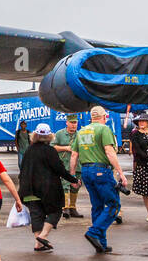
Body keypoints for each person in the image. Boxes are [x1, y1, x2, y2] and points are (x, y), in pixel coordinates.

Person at [69, 106, 127, 253]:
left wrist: (73, 176)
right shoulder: (104, 129)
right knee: (114, 205)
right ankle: (94, 232)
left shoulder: (81, 131)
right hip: (101, 170)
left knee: (97, 206)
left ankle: (101, 242)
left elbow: (74, 155)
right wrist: (121, 173)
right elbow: (109, 151)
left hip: (86, 171)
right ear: (104, 117)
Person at [18, 123, 80, 251]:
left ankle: (38, 244)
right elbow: (60, 170)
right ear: (50, 136)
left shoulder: (29, 150)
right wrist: (73, 180)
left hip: (28, 189)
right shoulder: (50, 151)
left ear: (34, 135)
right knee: (56, 211)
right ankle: (43, 235)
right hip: (47, 190)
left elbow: (22, 169)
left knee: (36, 215)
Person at [52, 116, 83, 218]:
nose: (74, 125)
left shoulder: (80, 135)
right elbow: (52, 147)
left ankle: (73, 208)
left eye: (75, 122)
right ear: (67, 123)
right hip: (64, 165)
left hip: (77, 166)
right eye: (72, 122)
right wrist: (66, 148)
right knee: (64, 186)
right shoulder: (60, 134)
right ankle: (65, 208)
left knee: (75, 187)